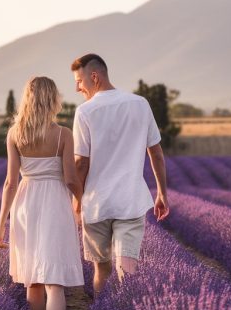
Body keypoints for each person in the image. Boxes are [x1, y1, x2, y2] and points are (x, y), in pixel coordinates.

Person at [0, 76, 84, 310]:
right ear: (53, 99)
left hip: (26, 203)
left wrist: (0, 224)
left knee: (32, 281)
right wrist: (81, 200)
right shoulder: (62, 134)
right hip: (55, 201)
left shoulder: (15, 133)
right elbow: (71, 179)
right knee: (54, 282)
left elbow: (10, 182)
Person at [70, 53, 169, 296]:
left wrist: (76, 201)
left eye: (79, 81)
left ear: (94, 77)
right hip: (130, 200)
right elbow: (155, 152)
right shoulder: (140, 104)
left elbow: (81, 163)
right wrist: (162, 193)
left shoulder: (85, 112)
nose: (77, 87)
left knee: (101, 270)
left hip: (96, 203)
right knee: (127, 267)